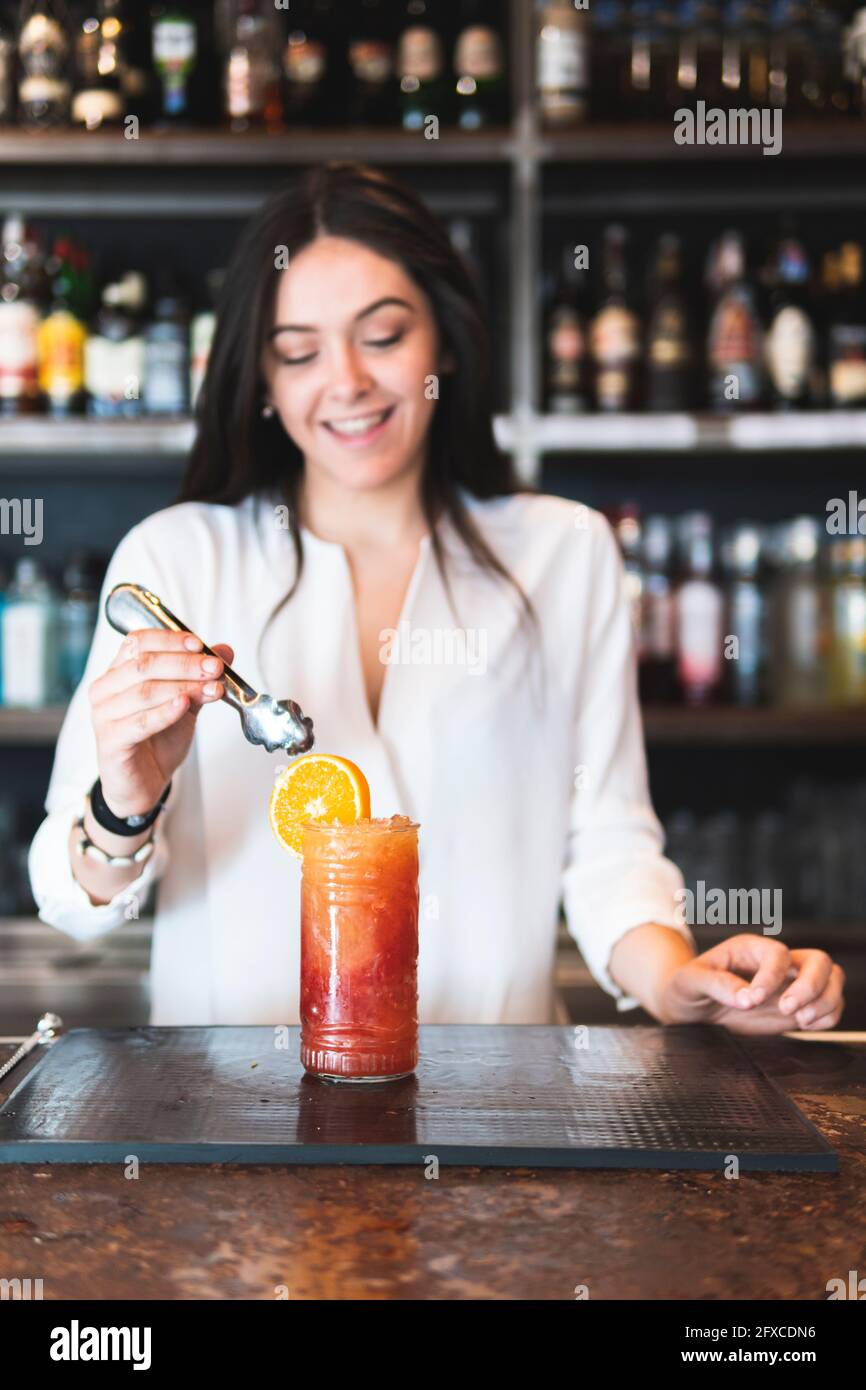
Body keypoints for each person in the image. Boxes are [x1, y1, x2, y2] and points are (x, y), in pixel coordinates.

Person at [29, 163, 845, 1034]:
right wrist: (126, 806)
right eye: (298, 351)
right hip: (238, 1119)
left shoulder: (562, 554)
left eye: (382, 336)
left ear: (444, 344)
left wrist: (685, 981)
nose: (344, 381)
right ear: (263, 380)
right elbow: (69, 901)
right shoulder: (178, 561)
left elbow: (608, 844)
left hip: (496, 1122)